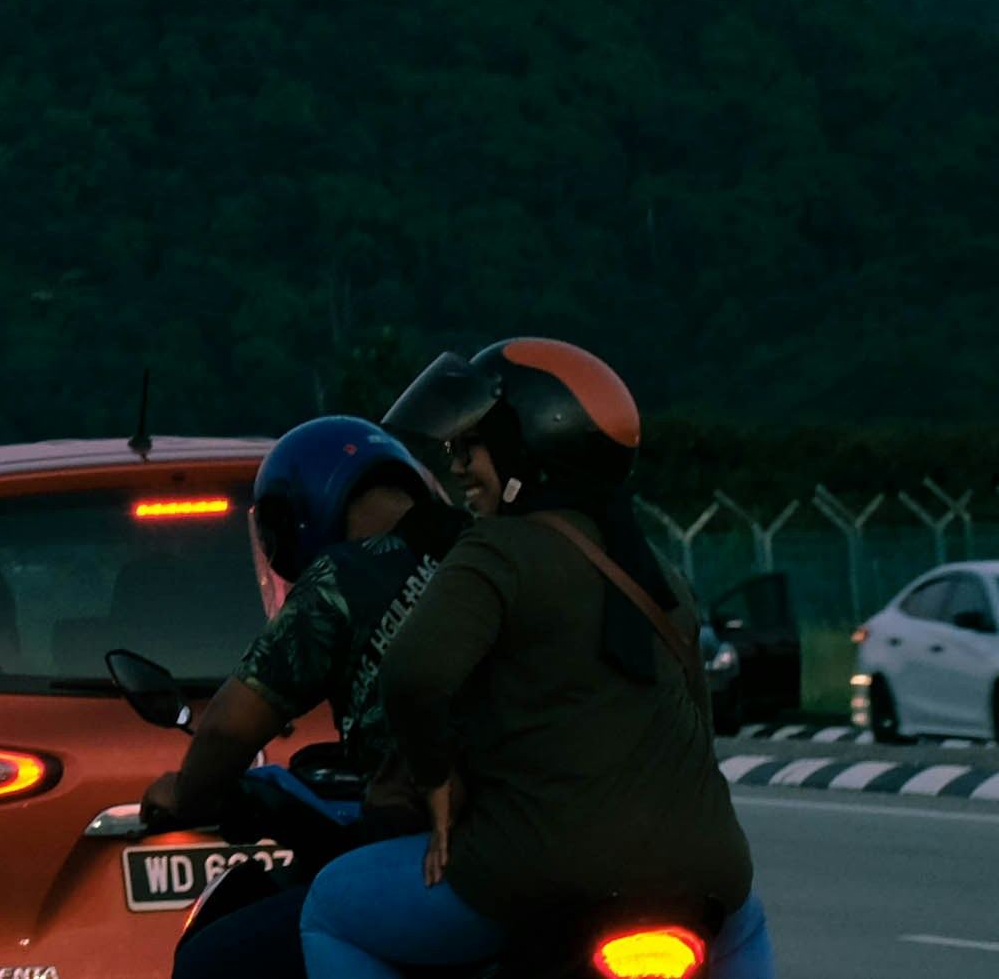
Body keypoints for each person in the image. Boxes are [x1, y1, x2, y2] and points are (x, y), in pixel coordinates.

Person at [299, 339, 767, 979]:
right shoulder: (655, 569)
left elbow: (412, 673)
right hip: (707, 874)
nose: (458, 463)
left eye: (474, 445)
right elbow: (698, 717)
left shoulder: (499, 548)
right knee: (748, 921)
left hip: (540, 872)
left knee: (330, 910)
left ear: (531, 450)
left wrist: (436, 783)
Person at [145, 418, 447, 979]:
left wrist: (187, 795)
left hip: (450, 858)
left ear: (296, 518)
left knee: (213, 963)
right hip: (559, 839)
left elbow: (231, 728)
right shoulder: (480, 543)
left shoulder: (342, 578)